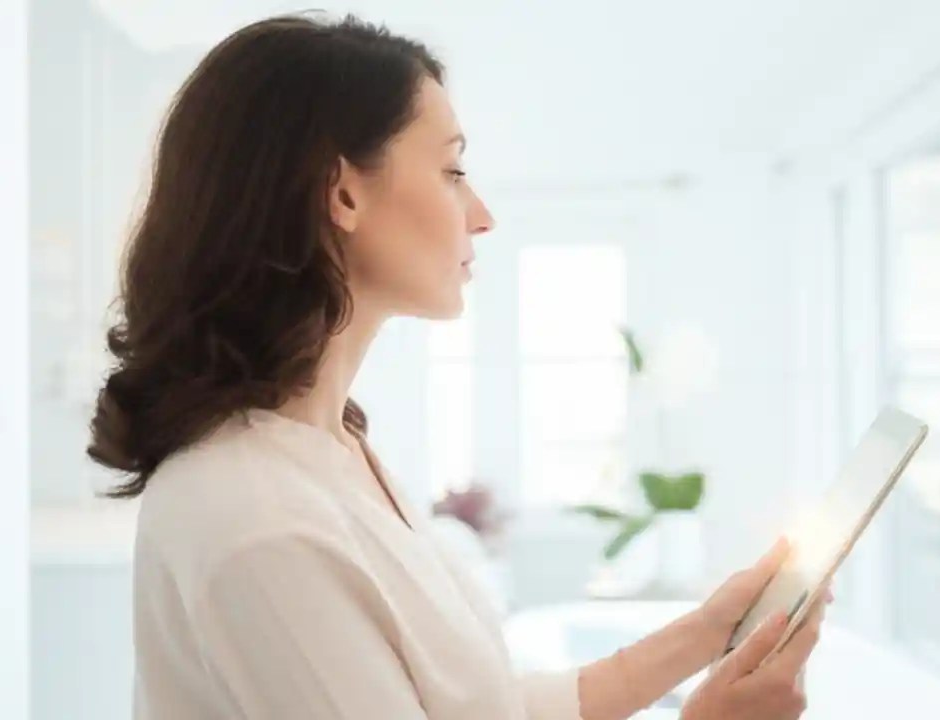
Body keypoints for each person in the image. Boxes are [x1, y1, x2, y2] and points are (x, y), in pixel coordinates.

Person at [87, 14, 826, 720]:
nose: (480, 213)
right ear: (340, 192)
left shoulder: (333, 449)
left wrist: (705, 632)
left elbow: (475, 707)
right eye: (452, 170)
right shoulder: (261, 520)